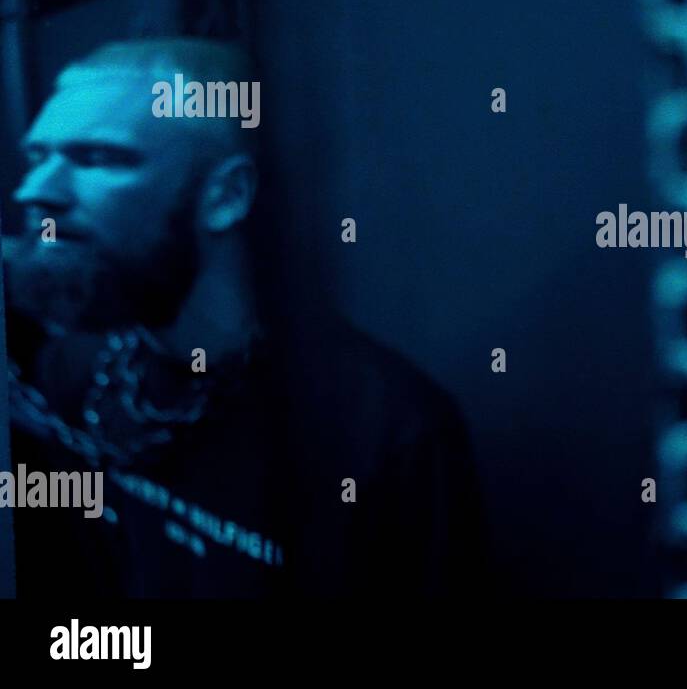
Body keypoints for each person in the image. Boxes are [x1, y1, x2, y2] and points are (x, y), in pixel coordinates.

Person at [4, 38, 486, 597]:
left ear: (226, 195)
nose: (34, 190)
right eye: (39, 157)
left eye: (99, 157)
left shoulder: (383, 426)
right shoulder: (74, 369)